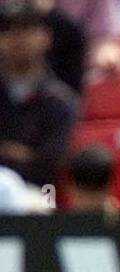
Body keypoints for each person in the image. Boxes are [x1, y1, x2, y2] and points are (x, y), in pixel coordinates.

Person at [0, 0, 77, 188]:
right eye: (8, 30)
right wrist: (24, 154)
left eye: (26, 29)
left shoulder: (60, 100)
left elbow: (49, 164)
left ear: (45, 38)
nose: (17, 37)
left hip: (41, 196)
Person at [66, 142, 116, 212]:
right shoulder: (56, 221)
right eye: (84, 194)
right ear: (72, 189)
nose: (90, 202)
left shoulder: (119, 220)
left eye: (96, 191)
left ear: (109, 188)